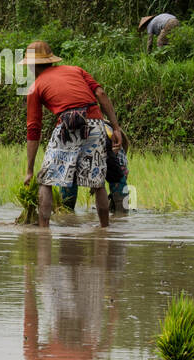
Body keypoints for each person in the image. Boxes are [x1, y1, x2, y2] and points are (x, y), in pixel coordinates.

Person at [22, 40, 126, 228]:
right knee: (98, 182)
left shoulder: (35, 87)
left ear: (31, 65)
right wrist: (116, 128)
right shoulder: (76, 70)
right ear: (50, 60)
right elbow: (101, 94)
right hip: (95, 124)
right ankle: (105, 230)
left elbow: (33, 129)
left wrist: (29, 170)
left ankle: (43, 230)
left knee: (45, 180)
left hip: (67, 126)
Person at [59, 124, 129, 214]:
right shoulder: (111, 135)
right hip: (97, 140)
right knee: (118, 180)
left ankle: (65, 214)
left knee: (70, 177)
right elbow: (120, 173)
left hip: (77, 138)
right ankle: (122, 215)